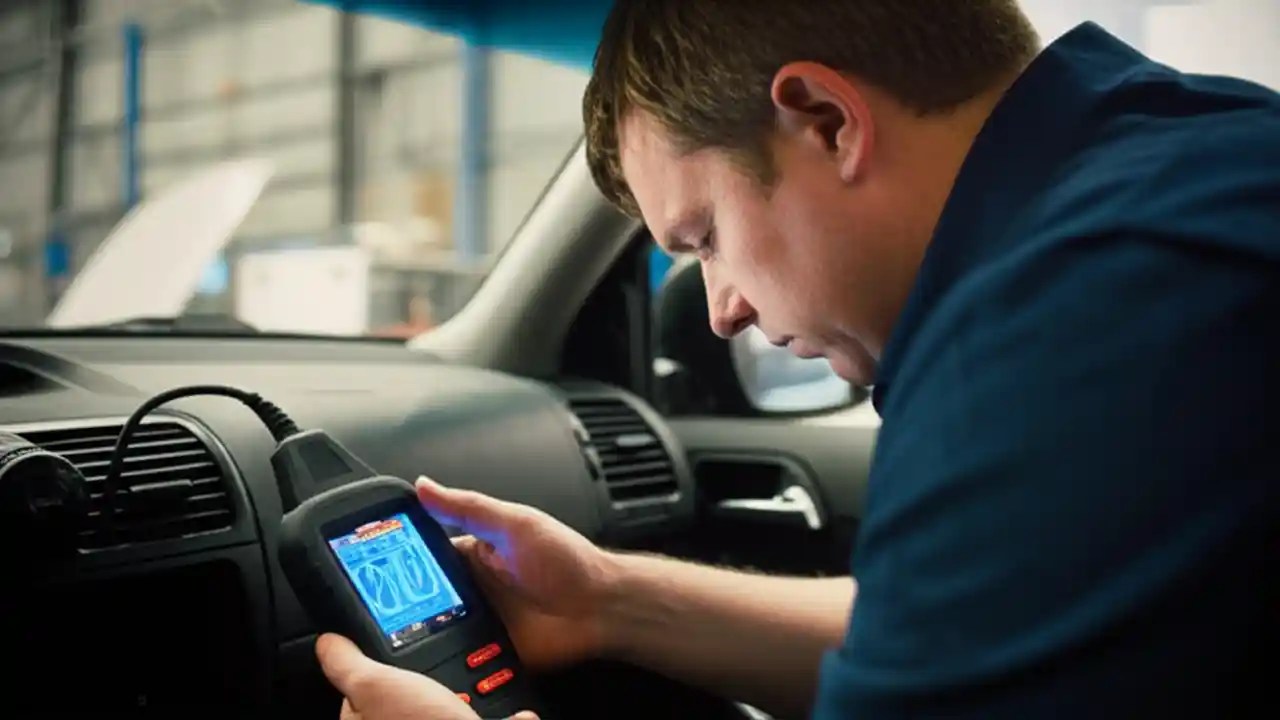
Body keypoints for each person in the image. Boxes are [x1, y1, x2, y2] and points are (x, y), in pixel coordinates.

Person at [315, 1, 1280, 718]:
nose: (724, 309)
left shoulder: (1067, 320)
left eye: (704, 238)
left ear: (824, 118)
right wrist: (612, 603)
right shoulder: (1185, 163)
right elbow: (958, 639)